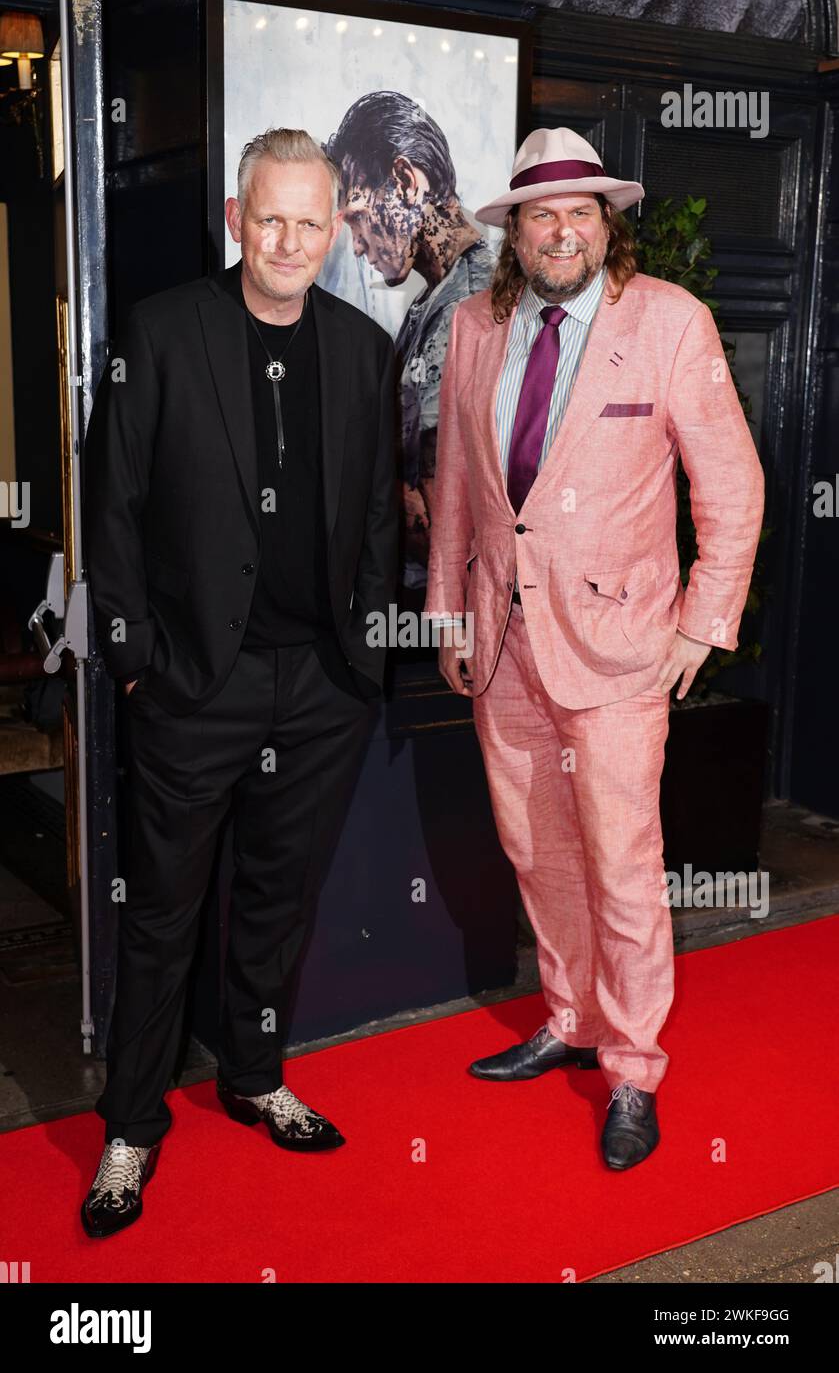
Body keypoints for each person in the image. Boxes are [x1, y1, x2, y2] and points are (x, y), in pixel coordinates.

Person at [426, 126, 764, 1170]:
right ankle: (566, 1016)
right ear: (514, 231)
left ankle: (631, 1065)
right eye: (539, 212)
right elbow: (453, 486)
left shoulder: (666, 321)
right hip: (504, 643)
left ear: (603, 223)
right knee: (537, 849)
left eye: (579, 210)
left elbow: (732, 486)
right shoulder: (478, 329)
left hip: (618, 649)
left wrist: (702, 623)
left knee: (621, 862)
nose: (560, 228)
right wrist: (445, 608)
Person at [81, 127, 397, 1236]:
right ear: (234, 216)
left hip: (316, 688)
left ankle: (255, 1075)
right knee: (161, 914)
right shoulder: (162, 333)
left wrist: (361, 658)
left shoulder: (362, 349)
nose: (290, 241)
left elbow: (370, 519)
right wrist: (135, 661)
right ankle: (130, 1124)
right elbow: (109, 507)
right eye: (271, 218)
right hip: (190, 684)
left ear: (333, 226)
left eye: (312, 222)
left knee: (275, 902)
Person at [327, 91, 495, 586]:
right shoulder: (440, 297)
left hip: (444, 609)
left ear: (404, 181)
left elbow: (442, 517)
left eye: (357, 216)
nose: (356, 245)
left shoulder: (474, 304)